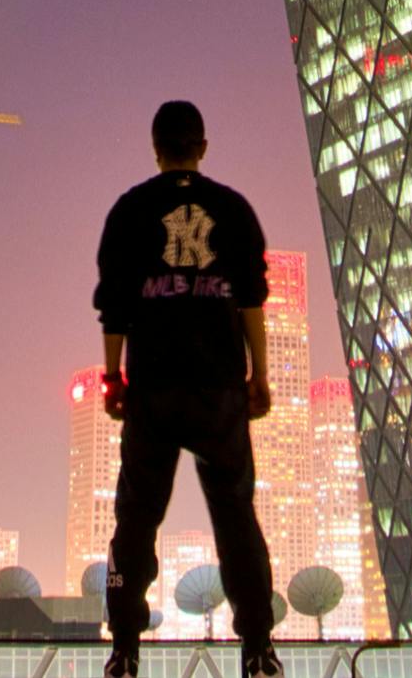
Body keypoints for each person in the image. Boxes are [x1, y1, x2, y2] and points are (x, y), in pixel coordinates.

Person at [92, 97, 280, 677]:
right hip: (219, 386)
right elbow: (251, 298)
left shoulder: (129, 210)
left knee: (136, 520)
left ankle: (124, 651)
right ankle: (257, 651)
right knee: (235, 518)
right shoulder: (234, 209)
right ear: (202, 147)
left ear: (155, 149)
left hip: (153, 387)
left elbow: (114, 306)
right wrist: (260, 375)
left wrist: (113, 377)